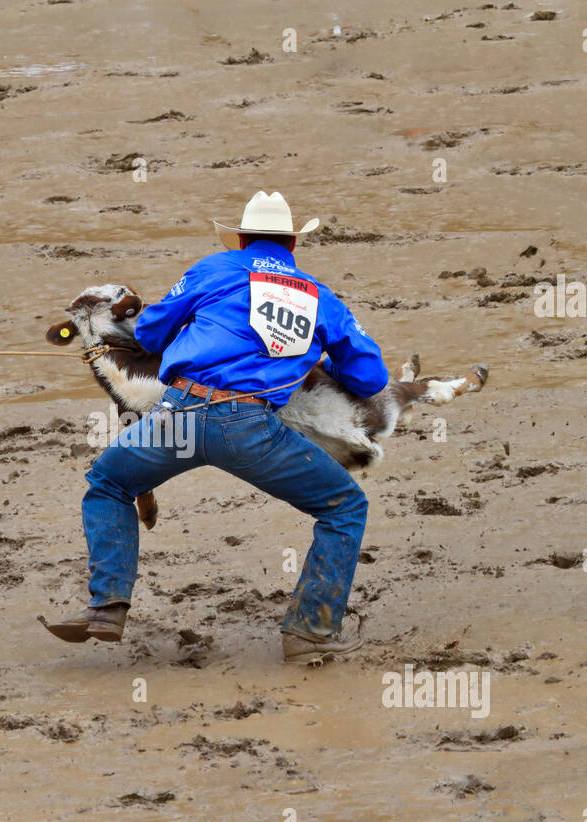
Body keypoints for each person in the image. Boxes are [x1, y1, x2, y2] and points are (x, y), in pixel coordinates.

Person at [41, 191, 389, 664]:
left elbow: (149, 334)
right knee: (345, 507)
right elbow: (371, 377)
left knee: (109, 483)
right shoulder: (320, 298)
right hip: (250, 429)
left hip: (178, 415)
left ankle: (106, 607)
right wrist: (320, 355)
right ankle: (310, 631)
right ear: (293, 244)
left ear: (241, 238)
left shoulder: (213, 269)